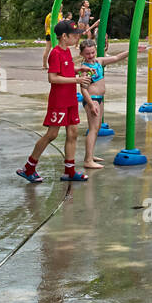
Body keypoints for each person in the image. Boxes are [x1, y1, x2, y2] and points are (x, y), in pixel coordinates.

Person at [17, 20, 93, 183]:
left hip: (70, 98)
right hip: (59, 100)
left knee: (73, 133)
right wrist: (77, 80)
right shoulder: (56, 53)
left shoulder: (66, 52)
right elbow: (53, 77)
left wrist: (79, 69)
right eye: (74, 36)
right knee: (52, 134)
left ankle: (69, 171)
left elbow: (64, 70)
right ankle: (28, 168)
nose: (76, 39)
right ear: (64, 36)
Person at [77, 39, 130, 170]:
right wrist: (90, 104)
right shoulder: (86, 69)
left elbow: (116, 57)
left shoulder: (99, 61)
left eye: (92, 52)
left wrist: (132, 50)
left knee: (97, 127)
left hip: (98, 99)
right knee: (93, 129)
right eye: (87, 53)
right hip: (92, 99)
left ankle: (91, 155)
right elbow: (83, 89)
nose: (91, 55)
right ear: (82, 54)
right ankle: (88, 160)